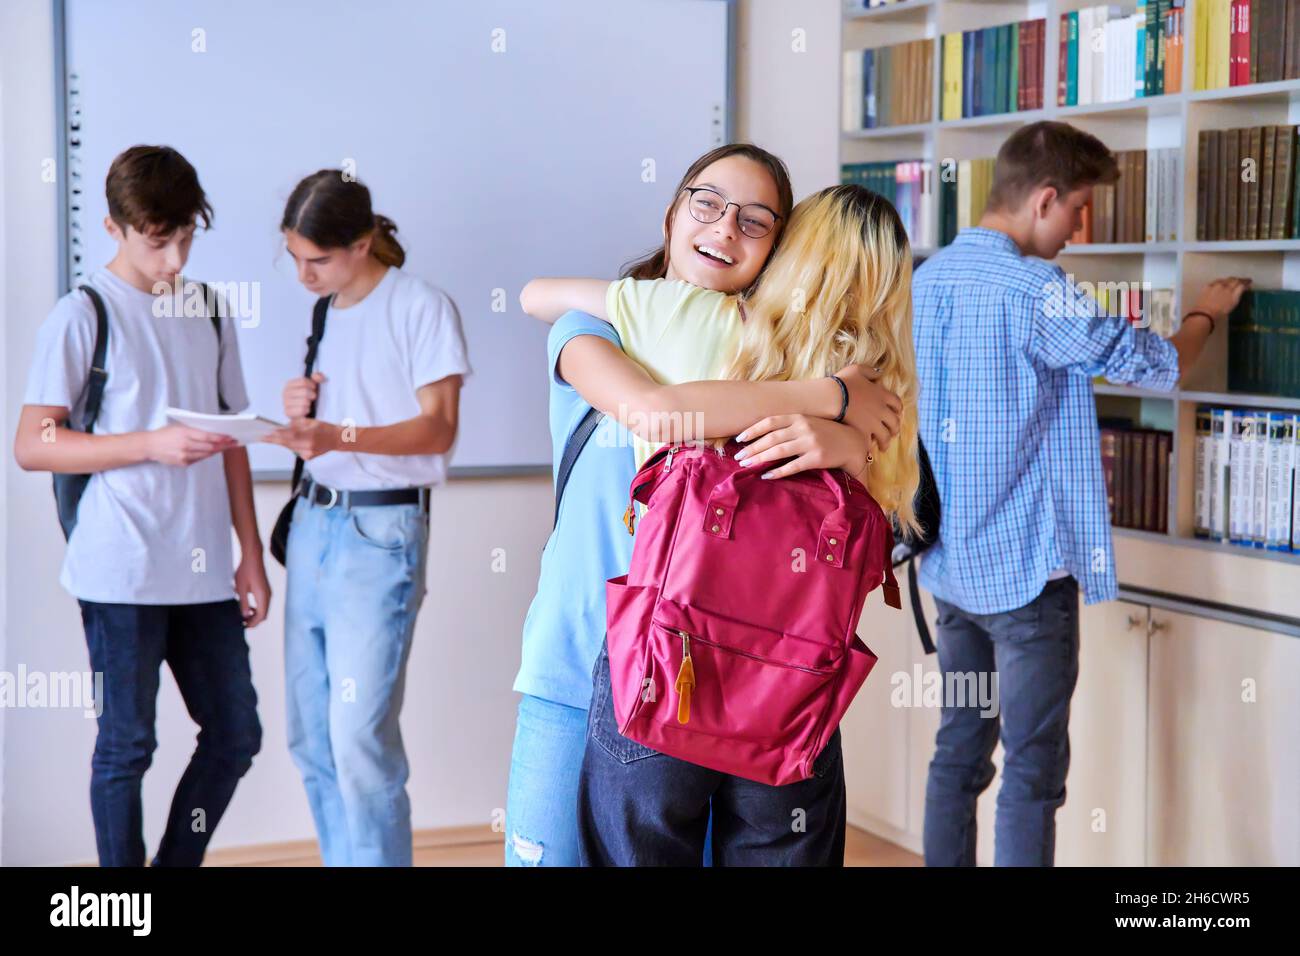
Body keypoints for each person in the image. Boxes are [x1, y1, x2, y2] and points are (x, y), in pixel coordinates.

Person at [508, 144, 903, 866]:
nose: (725, 229)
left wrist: (845, 441)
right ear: (673, 214)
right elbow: (656, 412)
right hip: (575, 665)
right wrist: (831, 399)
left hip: (716, 681)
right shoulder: (592, 329)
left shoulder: (766, 362)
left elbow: (873, 481)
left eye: (756, 222)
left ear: (778, 253)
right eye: (708, 204)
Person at [911, 120, 1251, 866]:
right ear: (1044, 199)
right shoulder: (1037, 291)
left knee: (957, 757)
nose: (1079, 229)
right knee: (1032, 777)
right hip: (1029, 584)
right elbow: (1155, 365)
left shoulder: (927, 278)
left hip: (951, 573)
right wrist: (1204, 315)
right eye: (1077, 211)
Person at [13, 145, 266, 866]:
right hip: (120, 566)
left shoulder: (210, 310)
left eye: (186, 237)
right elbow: (34, 443)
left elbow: (233, 439)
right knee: (127, 746)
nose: (175, 259)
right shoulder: (83, 313)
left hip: (205, 568)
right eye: (159, 242)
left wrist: (250, 552)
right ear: (114, 229)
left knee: (235, 735)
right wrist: (148, 444)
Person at [267, 169, 470, 866]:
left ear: (362, 242)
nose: (302, 274)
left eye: (315, 259)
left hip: (381, 534)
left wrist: (339, 436)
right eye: (292, 257)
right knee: (310, 736)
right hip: (317, 525)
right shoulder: (325, 312)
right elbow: (332, 426)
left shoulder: (420, 306)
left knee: (358, 736)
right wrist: (304, 414)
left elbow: (438, 429)